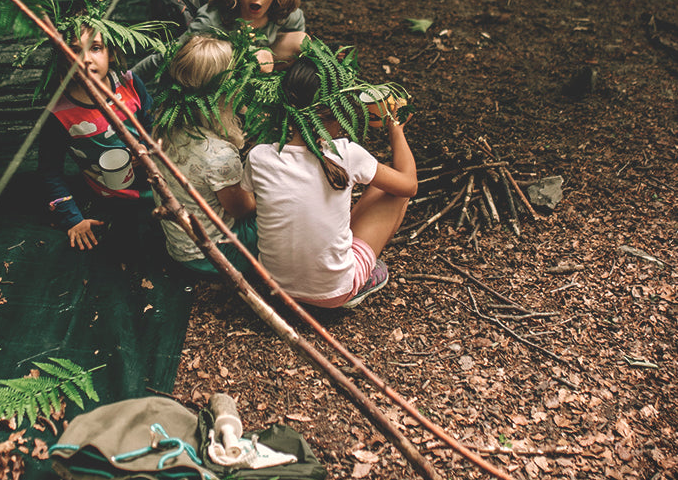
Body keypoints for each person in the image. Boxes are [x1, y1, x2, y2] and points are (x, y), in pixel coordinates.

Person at [242, 54, 416, 309]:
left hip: (274, 287)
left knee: (380, 183)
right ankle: (361, 279)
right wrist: (395, 129)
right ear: (338, 113)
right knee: (394, 189)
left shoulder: (259, 156)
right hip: (334, 293)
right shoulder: (346, 154)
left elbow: (248, 203)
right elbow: (409, 185)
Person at [37, 21, 154, 251]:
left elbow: (152, 123)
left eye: (96, 47)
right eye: (75, 51)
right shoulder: (59, 112)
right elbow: (49, 171)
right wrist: (72, 219)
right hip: (107, 198)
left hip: (154, 185)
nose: (86, 59)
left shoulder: (129, 83)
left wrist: (145, 148)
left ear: (111, 53)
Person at [153, 34, 258, 276]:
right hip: (214, 255)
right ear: (225, 90)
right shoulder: (218, 154)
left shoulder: (165, 124)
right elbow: (243, 210)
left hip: (181, 246)